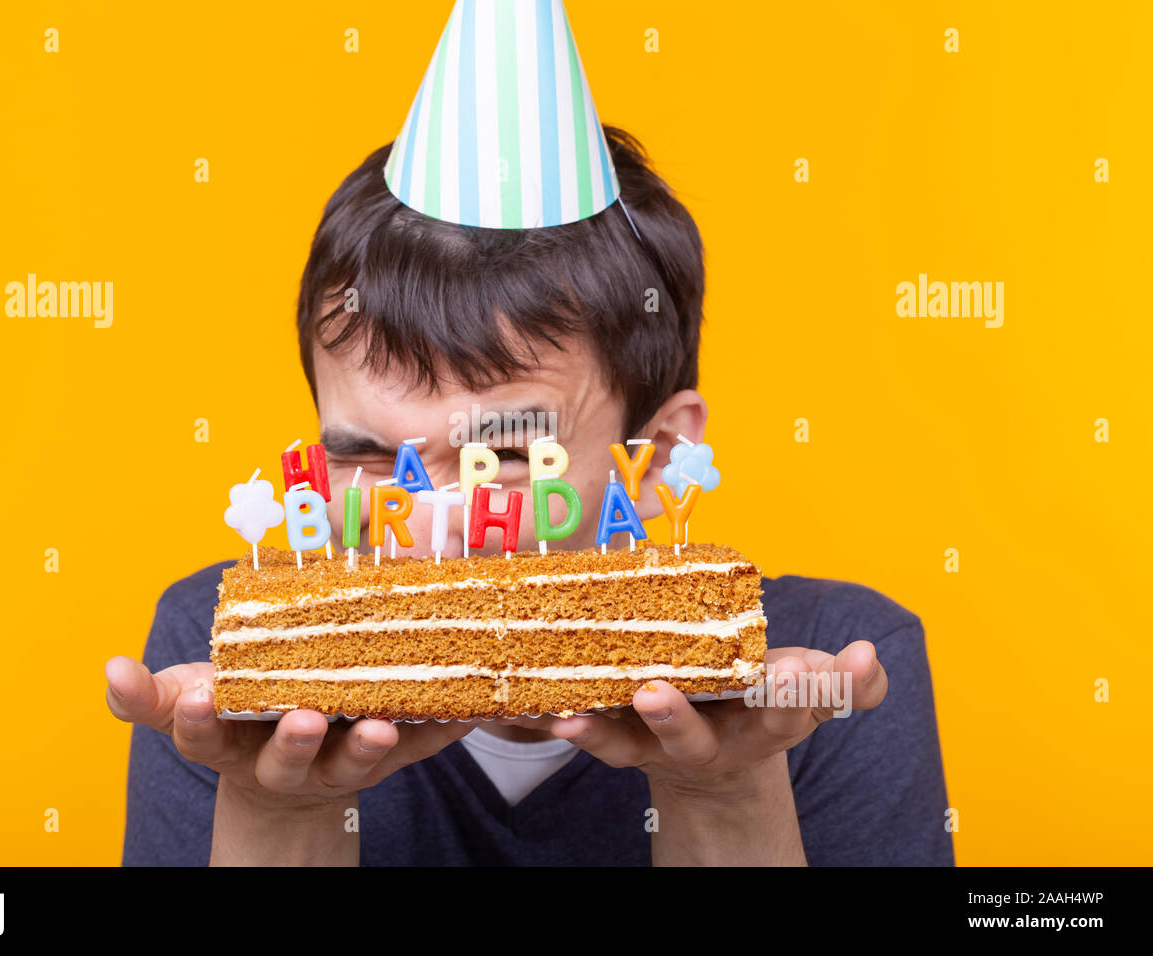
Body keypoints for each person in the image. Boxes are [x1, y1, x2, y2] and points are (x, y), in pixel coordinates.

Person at [105, 125, 953, 866]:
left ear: (655, 457)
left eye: (501, 454)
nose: (426, 530)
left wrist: (725, 794)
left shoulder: (824, 677)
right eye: (367, 457)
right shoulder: (223, 669)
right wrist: (275, 809)